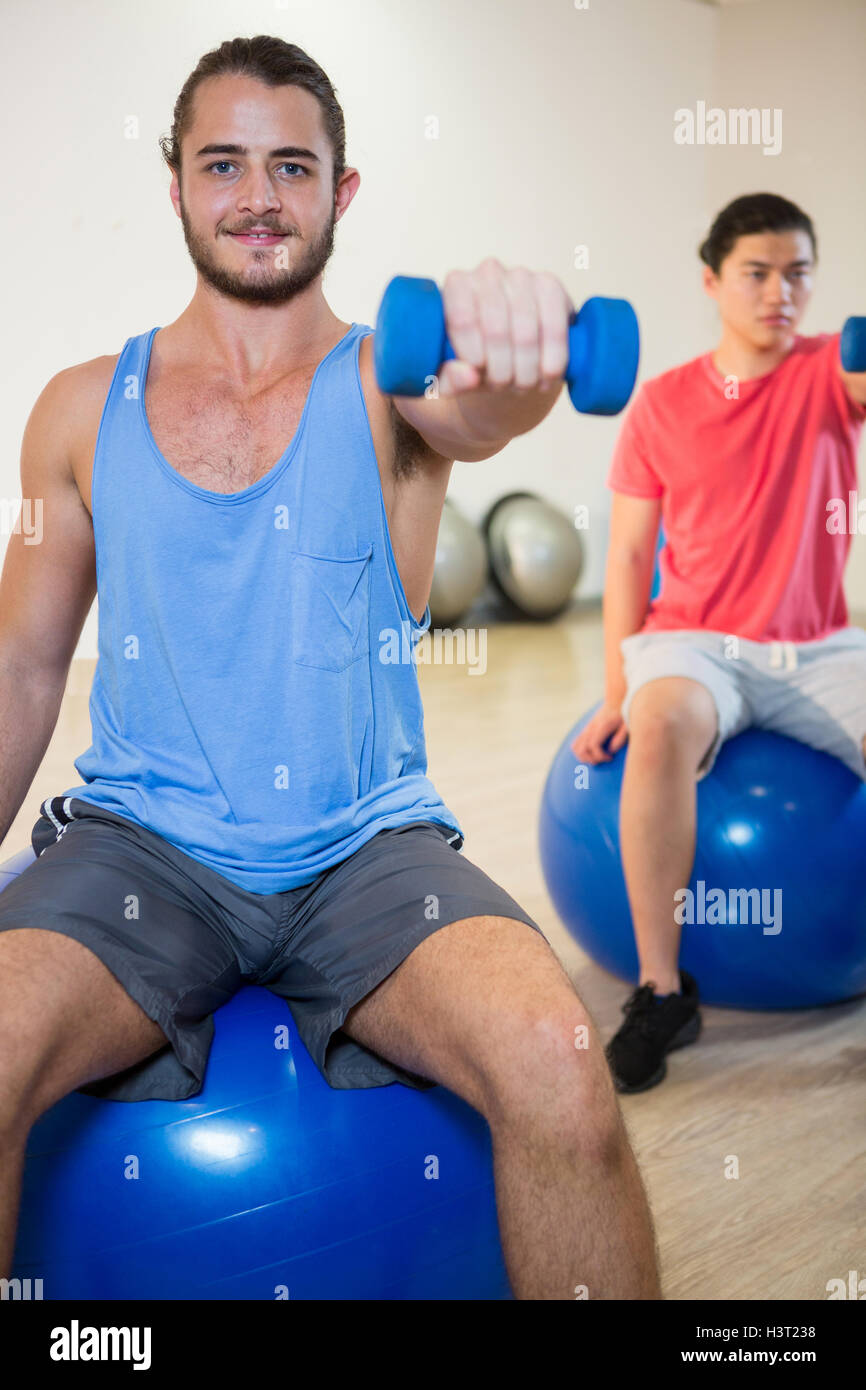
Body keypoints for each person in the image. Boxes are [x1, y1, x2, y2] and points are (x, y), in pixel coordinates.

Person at [0, 35, 660, 1300]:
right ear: (178, 184)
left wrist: (513, 363)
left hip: (367, 852)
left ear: (341, 191)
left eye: (292, 166)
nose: (259, 195)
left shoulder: (388, 384)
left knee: (559, 1057)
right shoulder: (81, 408)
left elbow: (476, 410)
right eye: (225, 164)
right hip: (144, 847)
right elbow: (26, 670)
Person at [574, 192, 866, 1095]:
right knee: (660, 732)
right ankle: (664, 991)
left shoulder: (832, 373)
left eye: (799, 273)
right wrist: (620, 689)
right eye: (758, 272)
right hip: (695, 642)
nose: (782, 291)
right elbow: (626, 553)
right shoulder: (661, 403)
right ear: (712, 281)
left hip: (819, 645)